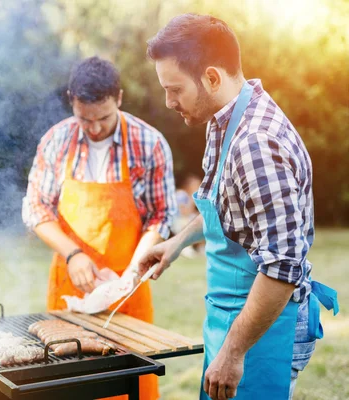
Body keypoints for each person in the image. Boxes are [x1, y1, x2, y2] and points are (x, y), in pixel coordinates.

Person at [139, 14, 338, 400]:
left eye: (175, 89)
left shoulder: (256, 144)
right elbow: (222, 205)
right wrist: (176, 243)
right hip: (234, 319)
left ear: (212, 78)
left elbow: (282, 265)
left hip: (264, 332)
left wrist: (233, 352)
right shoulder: (226, 118)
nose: (168, 102)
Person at [22, 56, 177, 400]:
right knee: (69, 388)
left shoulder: (148, 143)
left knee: (129, 388)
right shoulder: (56, 141)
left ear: (119, 98)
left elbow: (162, 216)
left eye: (103, 118)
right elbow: (35, 208)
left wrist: (133, 270)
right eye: (83, 118)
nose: (93, 128)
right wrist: (73, 254)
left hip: (126, 289)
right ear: (71, 101)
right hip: (69, 284)